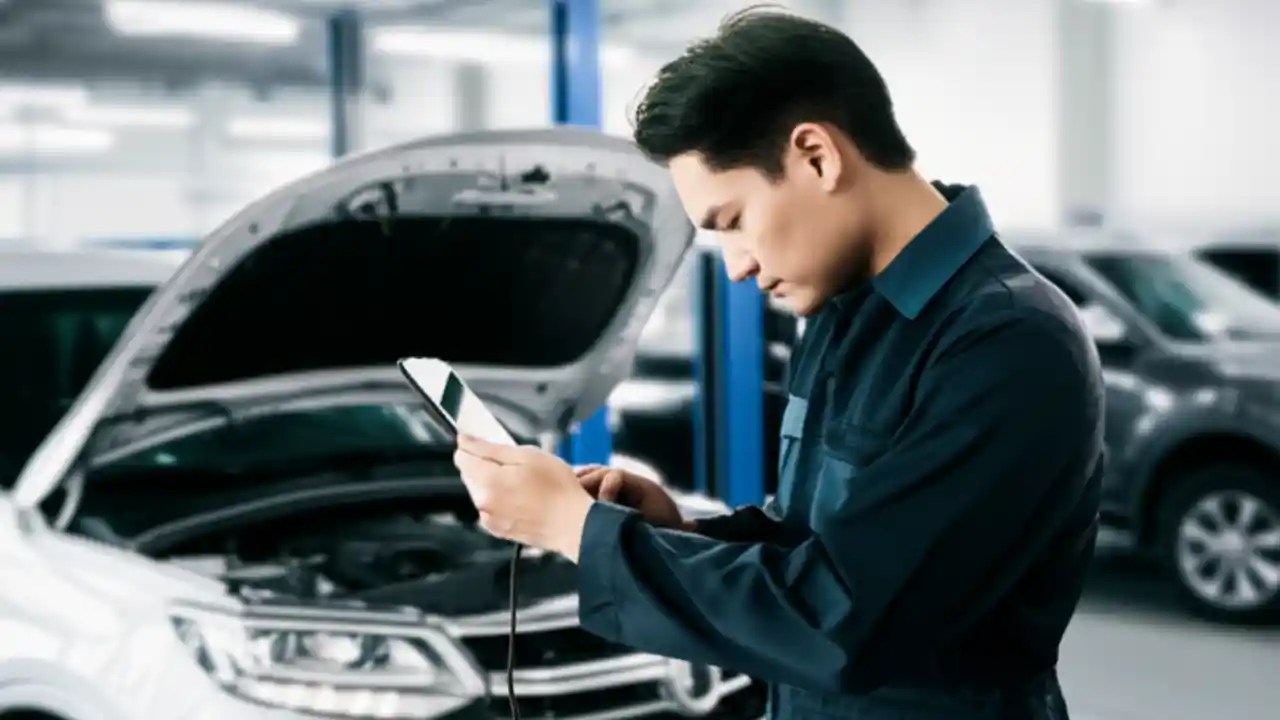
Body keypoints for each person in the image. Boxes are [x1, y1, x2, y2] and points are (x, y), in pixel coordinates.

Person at [451, 7, 1103, 719]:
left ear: (816, 156)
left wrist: (577, 531)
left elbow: (842, 627)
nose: (736, 268)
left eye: (731, 223)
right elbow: (817, 541)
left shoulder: (1006, 341)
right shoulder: (842, 312)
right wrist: (679, 536)